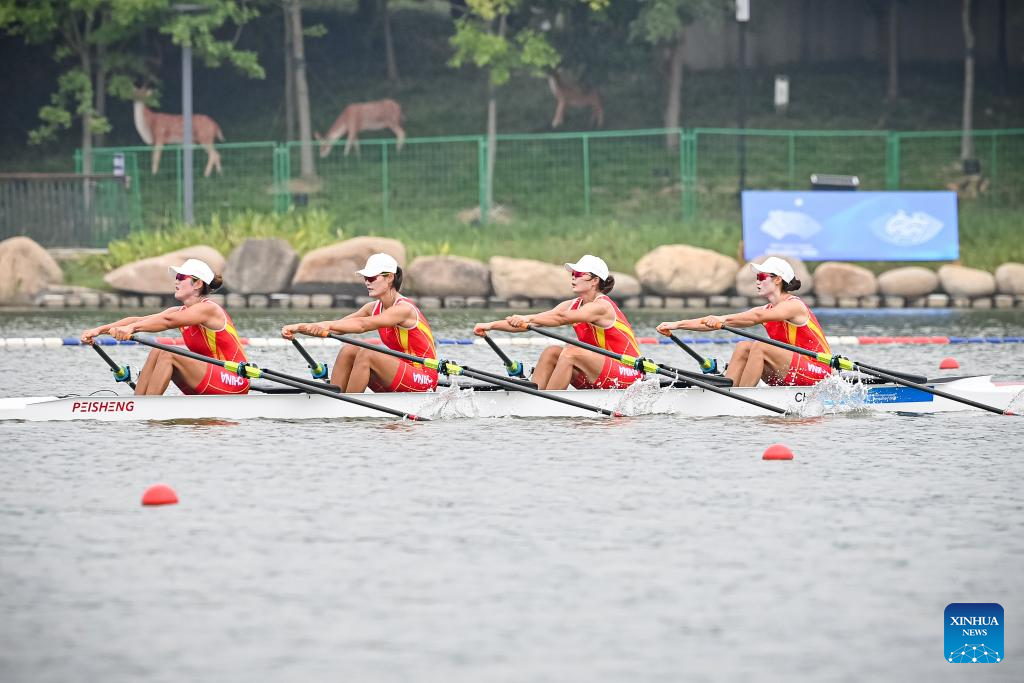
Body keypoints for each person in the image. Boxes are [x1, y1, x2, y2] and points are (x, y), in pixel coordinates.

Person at [80, 258, 250, 396]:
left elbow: (167, 321)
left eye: (181, 277)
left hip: (235, 379)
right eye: (176, 277)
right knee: (158, 351)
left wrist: (132, 329)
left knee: (168, 353)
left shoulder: (208, 309)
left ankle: (148, 408)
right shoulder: (180, 311)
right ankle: (138, 402)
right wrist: (99, 330)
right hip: (212, 377)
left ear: (197, 284)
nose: (176, 281)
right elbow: (138, 319)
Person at [656, 256, 833, 388]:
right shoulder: (766, 309)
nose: (757, 282)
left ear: (778, 279)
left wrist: (722, 319)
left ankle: (741, 397)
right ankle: (730, 390)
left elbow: (756, 318)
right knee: (743, 346)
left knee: (759, 346)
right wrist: (676, 325)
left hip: (818, 371)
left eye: (762, 277)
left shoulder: (794, 306)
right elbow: (711, 322)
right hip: (793, 369)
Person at [473, 255, 643, 390]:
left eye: (579, 274)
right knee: (552, 352)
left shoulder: (602, 306)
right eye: (573, 274)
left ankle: (546, 404)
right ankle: (535, 395)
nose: (573, 277)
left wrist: (527, 318)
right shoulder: (572, 304)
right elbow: (534, 324)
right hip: (600, 371)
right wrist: (491, 325)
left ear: (594, 280)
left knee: (571, 352)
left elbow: (561, 319)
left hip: (628, 372)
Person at [281, 253, 438, 393]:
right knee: (349, 350)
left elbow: (362, 325)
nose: (367, 283)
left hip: (423, 377)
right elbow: (339, 326)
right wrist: (299, 327)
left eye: (371, 278)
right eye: (365, 278)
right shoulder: (372, 308)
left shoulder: (403, 309)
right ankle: (335, 397)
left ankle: (346, 408)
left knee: (367, 354)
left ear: (389, 277)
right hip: (400, 371)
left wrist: (326, 326)